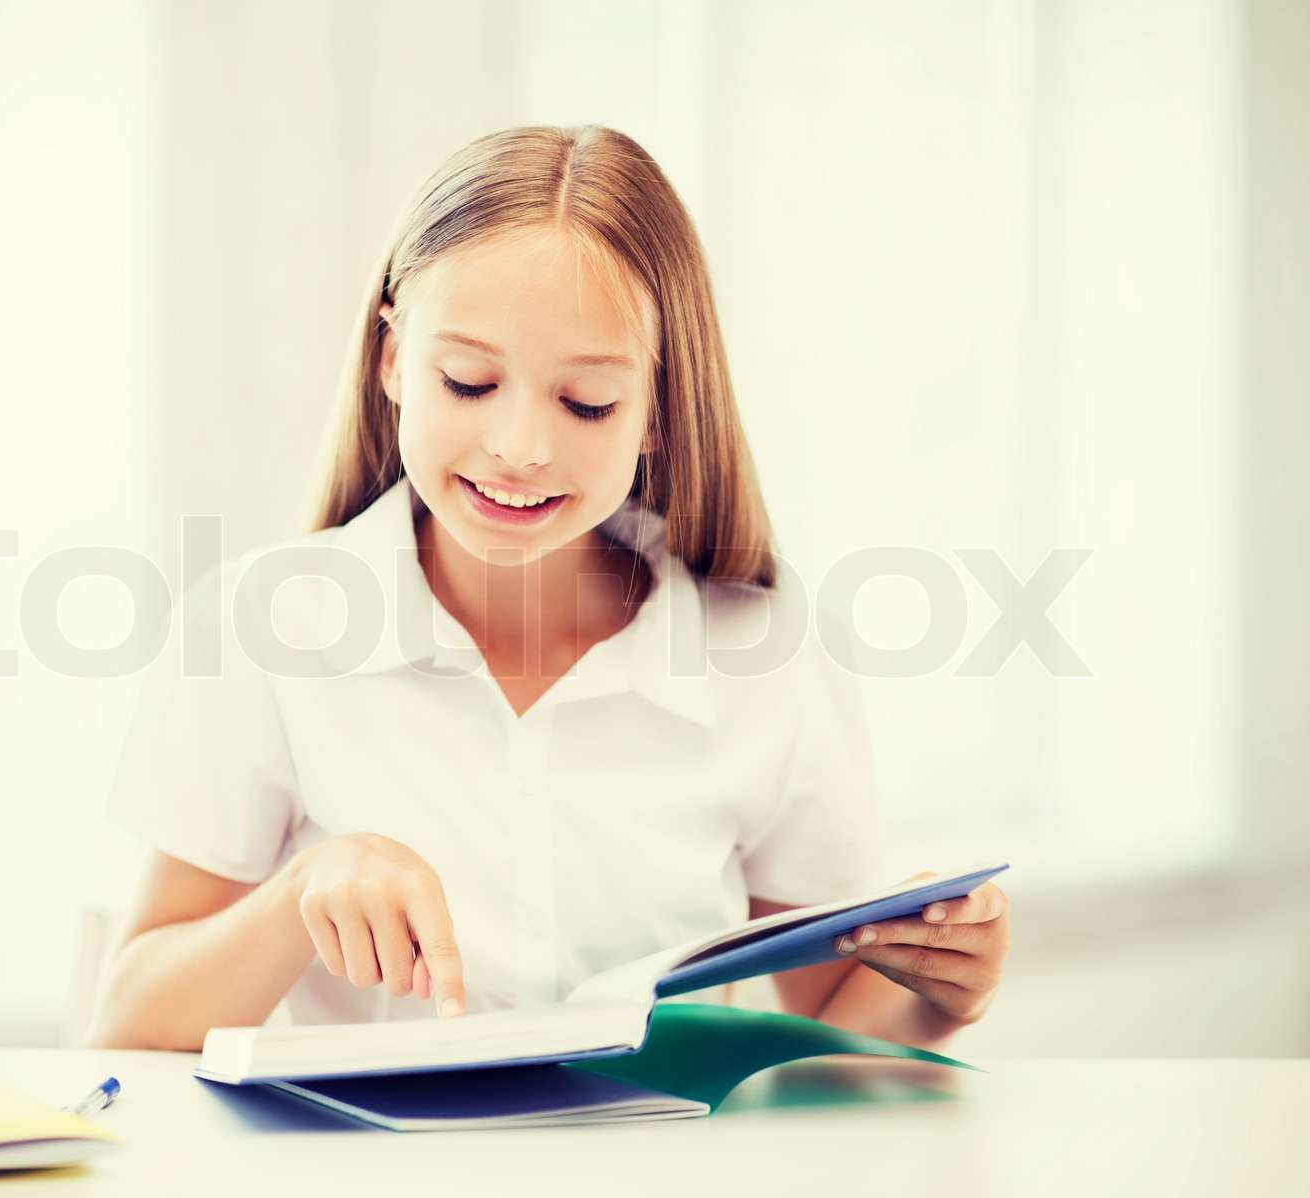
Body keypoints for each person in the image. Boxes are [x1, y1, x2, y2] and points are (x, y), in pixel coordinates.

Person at [85, 125, 1009, 1053]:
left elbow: (834, 1023)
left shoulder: (767, 654)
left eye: (587, 403)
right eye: (469, 380)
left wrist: (941, 994)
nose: (521, 446)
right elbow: (127, 1026)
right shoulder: (261, 629)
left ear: (657, 409)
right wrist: (301, 893)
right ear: (394, 359)